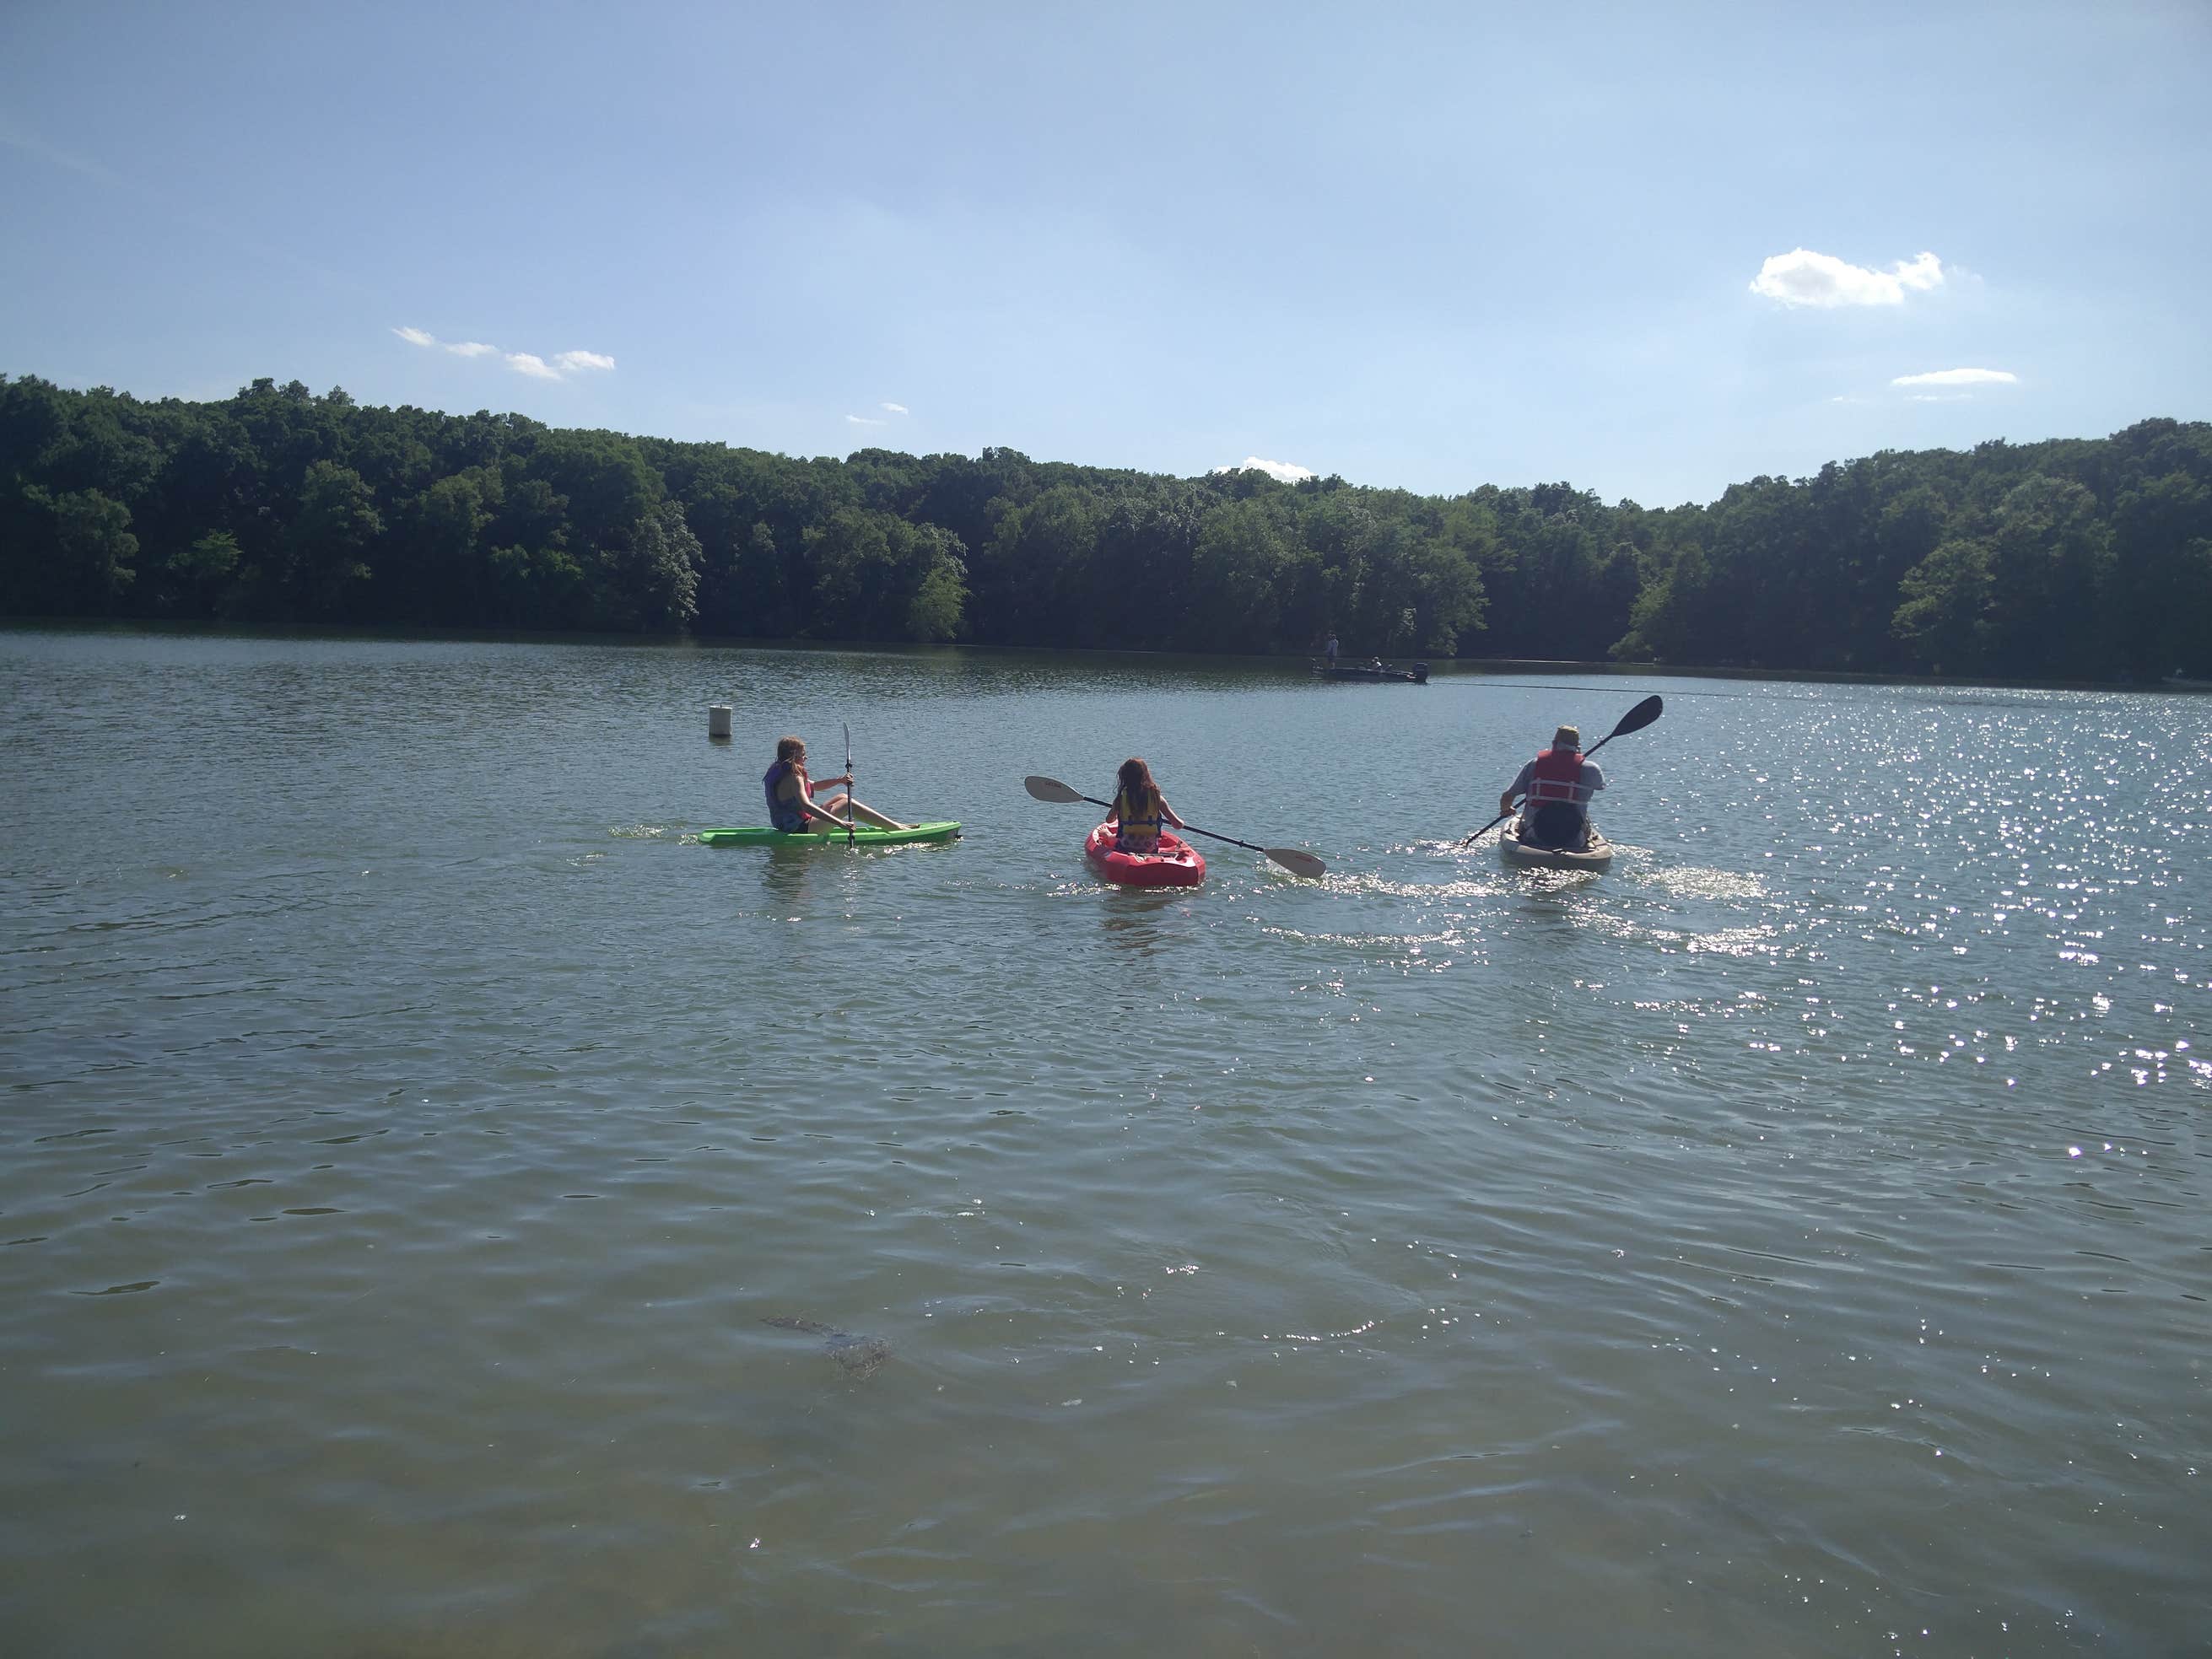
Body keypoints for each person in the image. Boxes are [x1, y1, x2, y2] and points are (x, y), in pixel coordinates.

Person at [763, 735, 909, 833]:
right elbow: (806, 806)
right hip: (798, 828)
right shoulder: (794, 777)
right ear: (793, 757)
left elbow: (814, 786)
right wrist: (840, 823)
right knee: (847, 805)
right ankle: (896, 828)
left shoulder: (781, 771)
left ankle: (892, 825)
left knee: (842, 796)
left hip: (788, 824)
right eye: (802, 755)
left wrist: (840, 780)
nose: (806, 757)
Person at [1499, 723, 1605, 848]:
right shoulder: (1591, 769)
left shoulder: (1534, 764)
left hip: (1534, 835)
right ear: (1577, 747)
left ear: (1554, 743)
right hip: (1575, 838)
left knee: (1522, 824)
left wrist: (1506, 810)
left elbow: (1508, 796)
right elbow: (1600, 786)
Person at [1105, 757, 1187, 852]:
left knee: (1113, 838)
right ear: (1146, 775)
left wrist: (1117, 813)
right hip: (1150, 849)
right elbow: (1178, 825)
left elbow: (1109, 820)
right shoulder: (1157, 799)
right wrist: (1182, 823)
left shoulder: (1120, 799)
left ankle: (1107, 835)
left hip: (1126, 847)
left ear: (1125, 777)